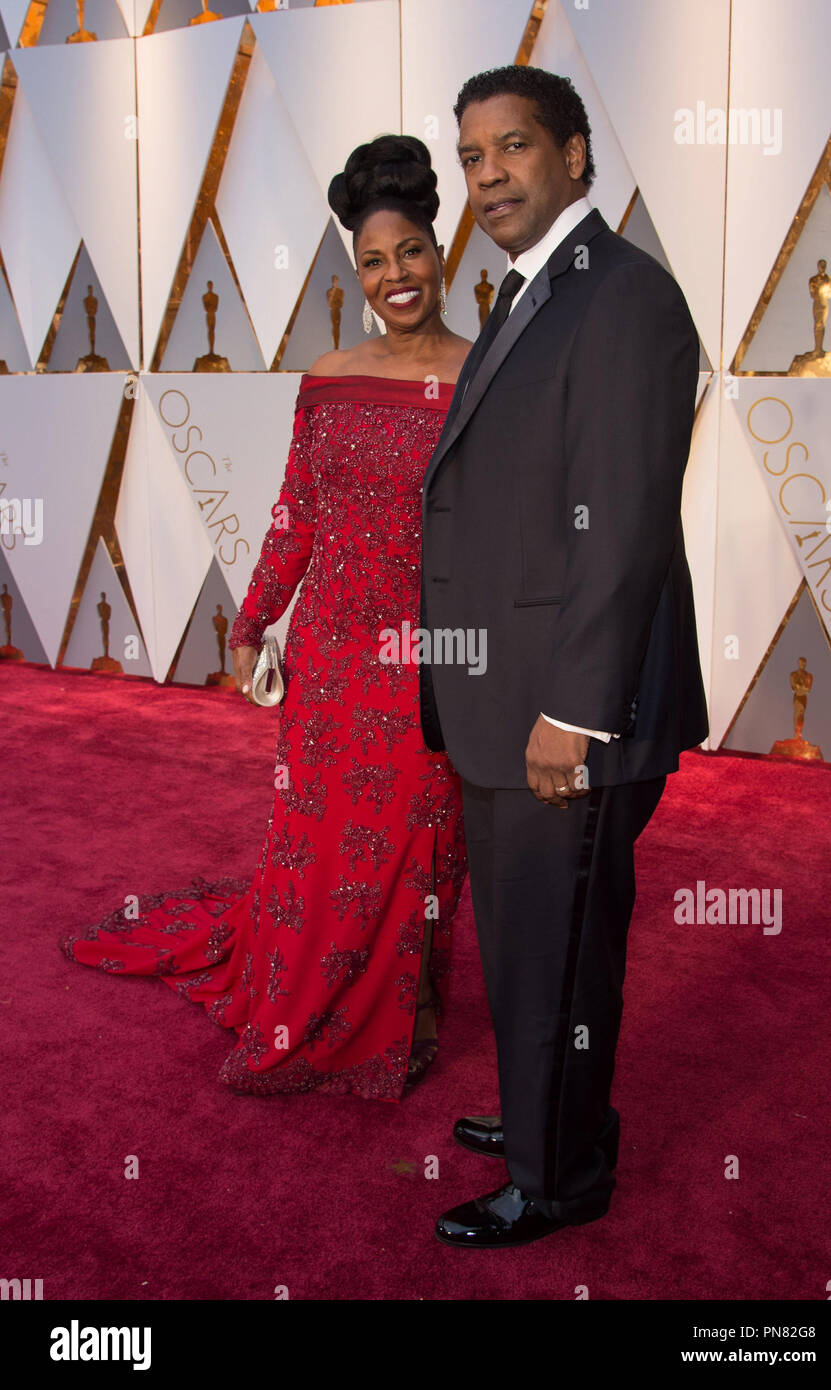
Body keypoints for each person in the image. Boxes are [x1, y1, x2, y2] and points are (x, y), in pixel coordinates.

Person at [60, 134, 471, 1101]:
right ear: (357, 274)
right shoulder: (328, 373)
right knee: (319, 841)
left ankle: (389, 1019)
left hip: (431, 660)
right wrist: (251, 626)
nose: (394, 275)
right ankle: (303, 1002)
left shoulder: (487, 374)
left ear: (439, 251)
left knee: (417, 849)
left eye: (408, 250)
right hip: (330, 653)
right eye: (372, 261)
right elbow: (300, 512)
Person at [419, 66, 709, 1245]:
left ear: (575, 155)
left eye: (511, 149)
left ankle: (557, 1180)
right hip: (507, 695)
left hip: (565, 710)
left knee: (555, 944)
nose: (486, 176)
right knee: (535, 941)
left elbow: (626, 517)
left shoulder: (622, 297)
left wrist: (574, 712)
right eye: (470, 159)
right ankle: (552, 1112)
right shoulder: (532, 289)